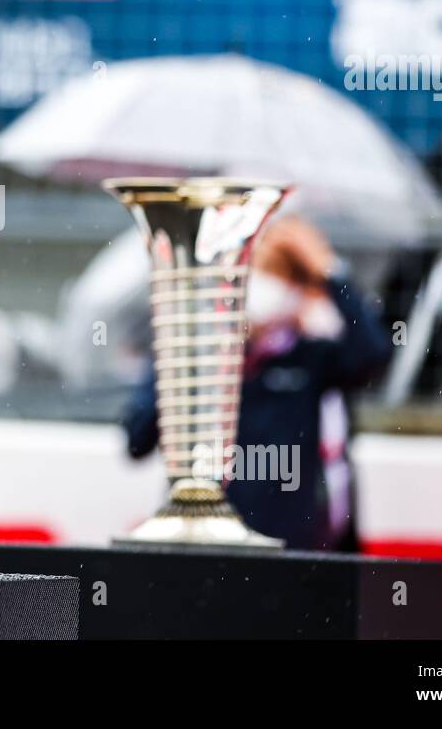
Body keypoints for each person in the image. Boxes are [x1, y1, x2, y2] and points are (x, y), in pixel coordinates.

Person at [124, 218, 392, 550]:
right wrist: (195, 348)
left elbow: (373, 354)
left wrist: (329, 270)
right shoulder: (194, 347)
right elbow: (137, 437)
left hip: (295, 550)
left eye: (278, 275)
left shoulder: (310, 355)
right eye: (253, 274)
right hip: (208, 547)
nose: (263, 289)